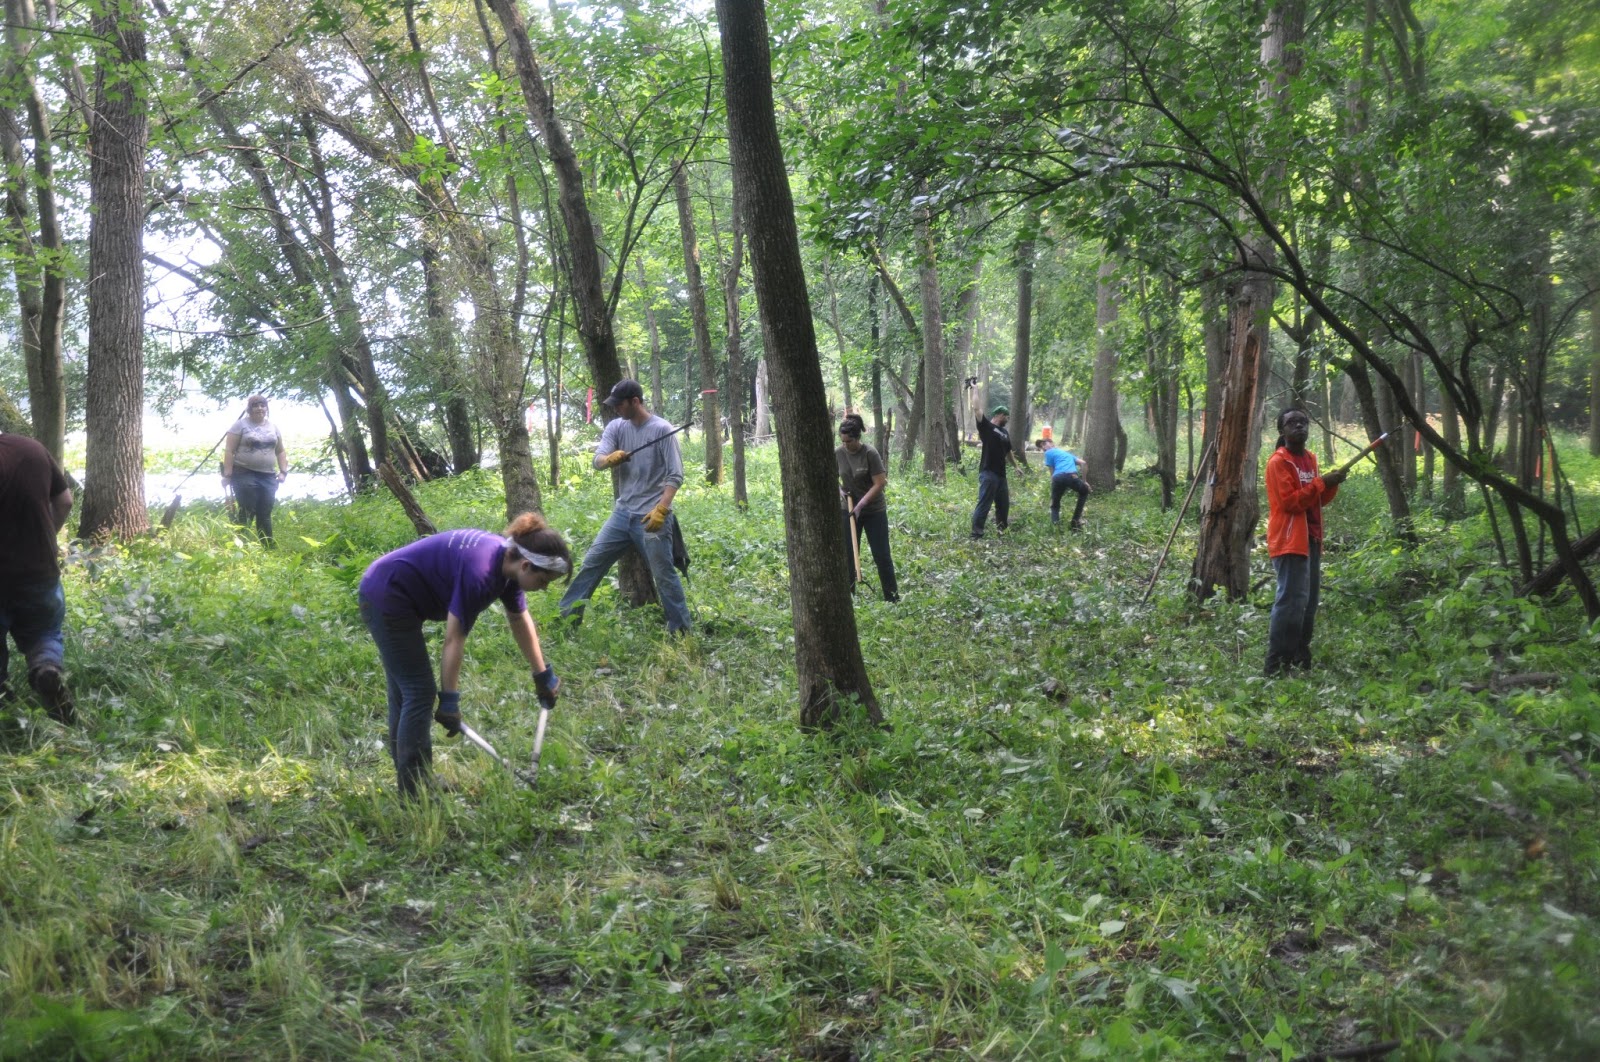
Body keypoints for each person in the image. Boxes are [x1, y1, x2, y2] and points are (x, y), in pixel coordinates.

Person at [358, 514, 571, 796]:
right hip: (386, 596)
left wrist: (542, 674)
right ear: (526, 565)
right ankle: (414, 790)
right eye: (543, 581)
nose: (543, 588)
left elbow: (520, 619)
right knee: (418, 692)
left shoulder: (507, 568)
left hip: (391, 590)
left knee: (406, 690)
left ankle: (412, 779)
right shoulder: (481, 572)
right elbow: (453, 638)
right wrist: (449, 700)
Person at [559, 379, 692, 634]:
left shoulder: (662, 430)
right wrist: (608, 459)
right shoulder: (616, 427)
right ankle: (566, 619)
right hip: (622, 515)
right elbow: (597, 461)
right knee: (592, 563)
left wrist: (662, 510)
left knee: (663, 575)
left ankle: (681, 631)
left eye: (619, 404)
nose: (616, 409)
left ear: (635, 401)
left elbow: (675, 476)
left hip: (650, 517)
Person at [1265, 408, 1347, 676]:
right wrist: (1321, 483)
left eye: (1303, 422)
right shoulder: (1278, 462)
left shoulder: (1310, 459)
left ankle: (1301, 655)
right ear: (1282, 430)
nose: (1299, 426)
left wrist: (1330, 484)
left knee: (1309, 602)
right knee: (1290, 602)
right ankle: (1276, 664)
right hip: (1289, 540)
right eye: (1292, 423)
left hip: (1311, 538)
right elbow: (1290, 502)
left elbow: (1317, 500)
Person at [0, 432, 74, 723]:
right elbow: (65, 501)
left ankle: (5, 702)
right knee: (44, 631)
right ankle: (46, 668)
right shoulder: (31, 448)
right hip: (38, 569)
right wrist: (46, 541)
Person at [836, 414, 899, 602]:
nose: (845, 445)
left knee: (882, 555)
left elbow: (880, 482)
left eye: (849, 441)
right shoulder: (838, 453)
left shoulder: (870, 453)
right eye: (842, 441)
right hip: (848, 511)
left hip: (873, 511)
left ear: (857, 438)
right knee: (847, 554)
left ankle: (892, 597)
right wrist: (840, 491)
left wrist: (862, 503)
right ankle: (849, 597)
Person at [221, 395, 288, 542]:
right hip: (244, 473)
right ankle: (242, 545)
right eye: (255, 405)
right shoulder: (240, 425)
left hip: (268, 475)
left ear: (266, 408)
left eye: (262, 405)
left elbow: (280, 451)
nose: (259, 408)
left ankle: (268, 546)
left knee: (265, 511)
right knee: (247, 509)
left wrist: (283, 472)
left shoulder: (273, 427)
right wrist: (227, 474)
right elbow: (229, 450)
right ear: (249, 409)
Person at [968, 382, 1028, 538]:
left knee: (1003, 506)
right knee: (985, 503)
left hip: (1001, 476)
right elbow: (976, 408)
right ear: (999, 415)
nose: (1007, 419)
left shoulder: (1005, 433)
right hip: (988, 473)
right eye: (1006, 416)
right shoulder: (987, 427)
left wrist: (1015, 466)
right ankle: (976, 533)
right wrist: (975, 389)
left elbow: (1008, 451)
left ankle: (1002, 530)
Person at [1037, 437, 1090, 530]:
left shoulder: (1049, 452)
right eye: (1041, 447)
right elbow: (1083, 463)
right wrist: (1084, 481)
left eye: (1044, 444)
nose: (1044, 448)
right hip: (1070, 476)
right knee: (1084, 492)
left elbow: (1052, 471)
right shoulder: (1066, 454)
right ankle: (1075, 521)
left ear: (1052, 443)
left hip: (1059, 477)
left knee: (1055, 502)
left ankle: (1055, 527)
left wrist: (1054, 482)